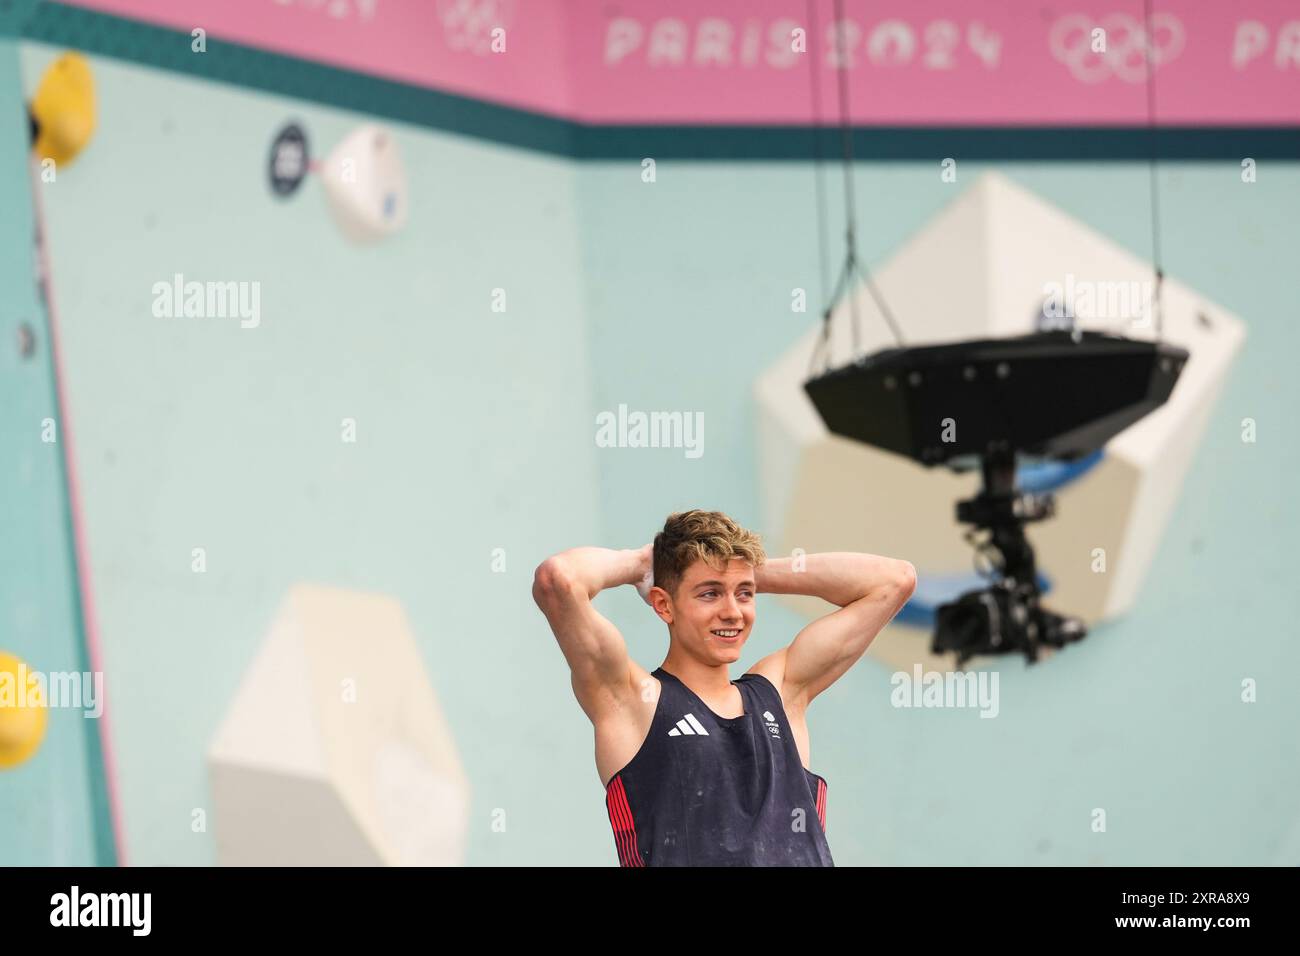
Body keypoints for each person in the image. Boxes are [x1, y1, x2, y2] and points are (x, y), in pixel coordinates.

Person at [532, 509, 916, 866]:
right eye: (710, 593)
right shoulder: (634, 700)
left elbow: (893, 581)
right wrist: (643, 565)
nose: (733, 612)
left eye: (744, 594)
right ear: (663, 605)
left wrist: (747, 573)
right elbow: (558, 580)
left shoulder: (781, 693)